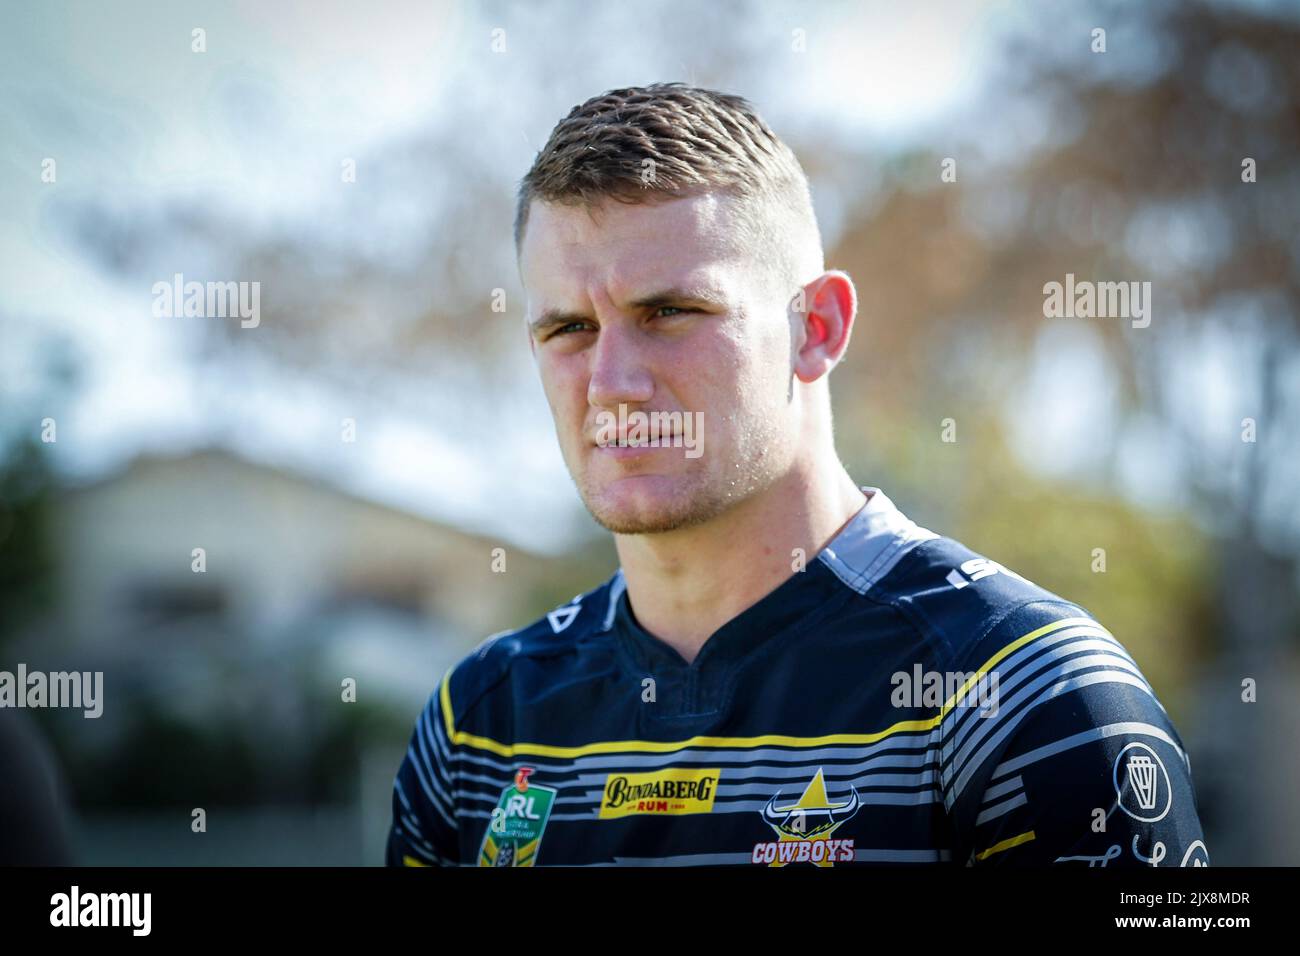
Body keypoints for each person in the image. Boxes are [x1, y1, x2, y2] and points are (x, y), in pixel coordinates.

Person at [386, 82, 1208, 867]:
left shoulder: (1024, 693)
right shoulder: (480, 729)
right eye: (568, 327)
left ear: (816, 328)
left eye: (670, 312)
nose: (610, 382)